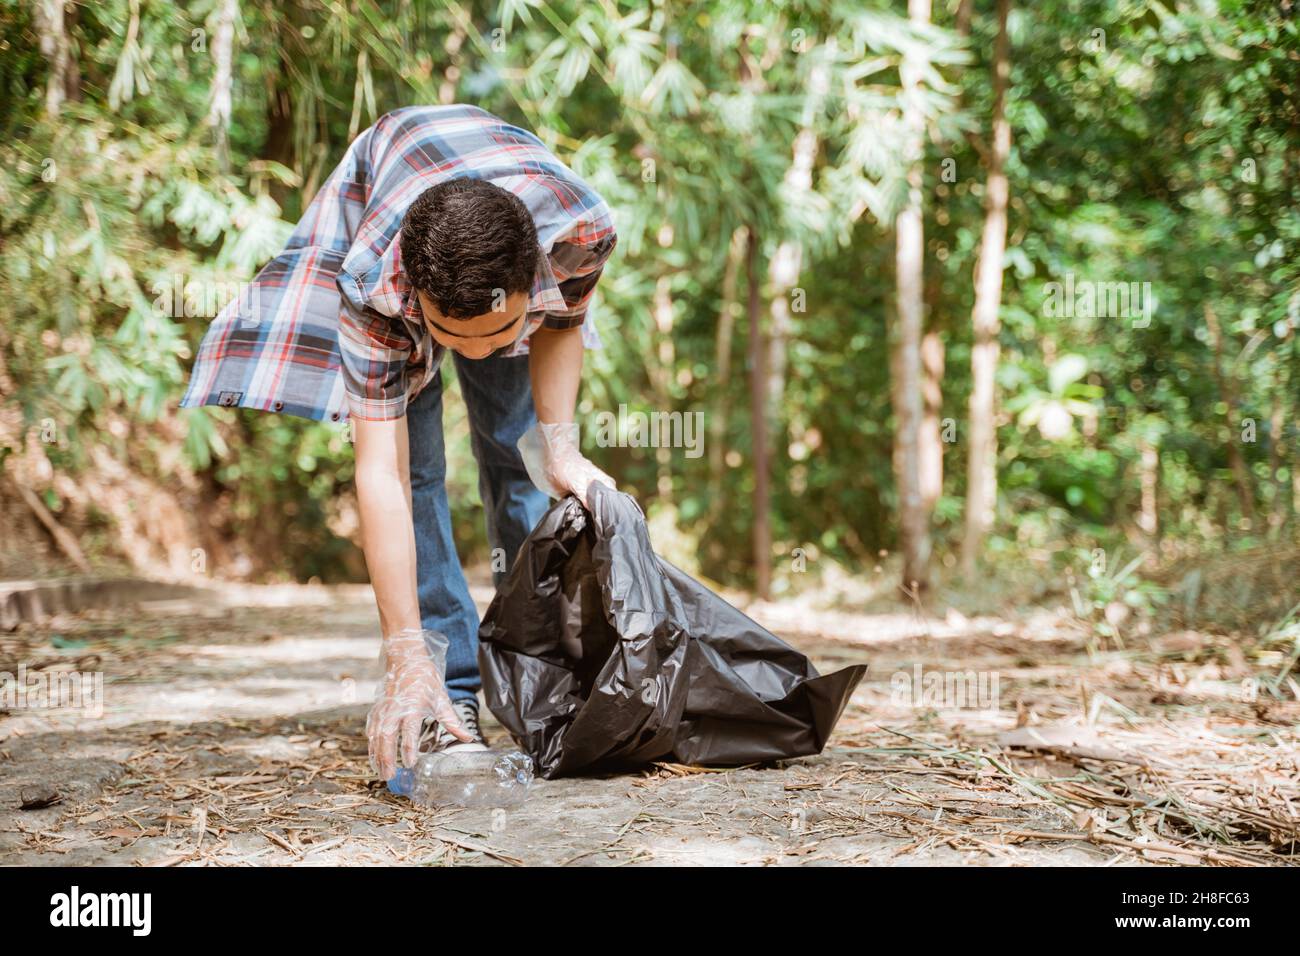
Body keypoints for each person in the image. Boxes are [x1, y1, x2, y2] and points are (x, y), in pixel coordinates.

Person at [181, 104, 617, 781]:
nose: (474, 352)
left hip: (500, 237)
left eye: (495, 337)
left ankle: (538, 666)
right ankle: (448, 692)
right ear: (416, 298)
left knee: (520, 452)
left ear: (530, 283)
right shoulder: (374, 291)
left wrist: (560, 445)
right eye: (453, 336)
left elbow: (561, 325)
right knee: (418, 474)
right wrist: (405, 649)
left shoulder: (577, 235)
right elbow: (381, 474)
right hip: (393, 178)